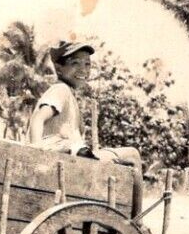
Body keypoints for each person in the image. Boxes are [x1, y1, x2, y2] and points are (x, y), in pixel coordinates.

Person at [30, 41, 142, 169]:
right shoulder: (60, 89)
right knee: (133, 155)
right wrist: (36, 158)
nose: (83, 69)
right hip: (63, 159)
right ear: (59, 69)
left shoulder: (70, 97)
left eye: (87, 64)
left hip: (71, 160)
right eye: (75, 63)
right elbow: (38, 119)